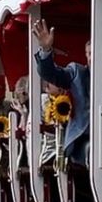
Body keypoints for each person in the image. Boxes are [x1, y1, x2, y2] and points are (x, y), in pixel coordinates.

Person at [31, 19, 90, 167]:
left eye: (96, 52)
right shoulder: (77, 72)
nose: (92, 57)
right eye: (89, 53)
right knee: (93, 150)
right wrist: (46, 50)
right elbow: (50, 74)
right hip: (82, 140)